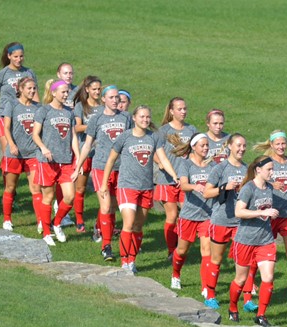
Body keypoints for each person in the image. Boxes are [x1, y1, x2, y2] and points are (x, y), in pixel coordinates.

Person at [99, 105, 178, 274]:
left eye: (147, 117)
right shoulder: (124, 137)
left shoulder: (154, 137)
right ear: (134, 118)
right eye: (142, 116)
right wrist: (104, 183)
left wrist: (175, 176)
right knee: (128, 223)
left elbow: (163, 159)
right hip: (127, 186)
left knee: (138, 226)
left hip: (146, 187)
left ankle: (132, 259)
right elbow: (111, 160)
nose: (145, 119)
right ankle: (125, 261)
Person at [73, 85, 132, 261]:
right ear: (104, 99)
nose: (115, 101)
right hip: (100, 167)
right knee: (106, 206)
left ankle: (102, 230)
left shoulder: (126, 118)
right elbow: (87, 144)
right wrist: (78, 167)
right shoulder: (97, 119)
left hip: (121, 168)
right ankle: (106, 246)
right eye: (112, 97)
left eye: (118, 98)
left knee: (113, 207)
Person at [252, 130, 287, 310]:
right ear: (272, 145)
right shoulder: (266, 163)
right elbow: (256, 182)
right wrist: (270, 184)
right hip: (269, 214)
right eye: (277, 144)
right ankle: (250, 285)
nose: (281, 147)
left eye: (283, 143)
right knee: (260, 252)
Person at [227, 155, 280, 327]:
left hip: (265, 240)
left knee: (268, 277)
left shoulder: (269, 188)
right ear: (258, 170)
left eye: (273, 169)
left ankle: (261, 315)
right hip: (245, 240)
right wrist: (262, 213)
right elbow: (239, 212)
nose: (272, 172)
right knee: (241, 280)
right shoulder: (248, 188)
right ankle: (233, 308)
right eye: (269, 169)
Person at [201, 134, 248, 309]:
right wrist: (224, 188)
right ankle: (210, 295)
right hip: (221, 220)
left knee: (244, 260)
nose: (242, 149)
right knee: (216, 259)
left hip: (240, 223)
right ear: (229, 146)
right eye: (238, 145)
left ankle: (247, 299)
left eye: (244, 146)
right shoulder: (219, 168)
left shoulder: (247, 169)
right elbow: (206, 193)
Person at [31, 80, 78, 246]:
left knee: (70, 196)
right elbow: (35, 134)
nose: (66, 95)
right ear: (54, 92)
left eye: (67, 92)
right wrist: (43, 148)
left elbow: (72, 137)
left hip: (66, 160)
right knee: (48, 197)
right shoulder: (43, 110)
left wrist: (77, 157)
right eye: (63, 92)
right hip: (48, 161)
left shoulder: (69, 113)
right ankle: (46, 232)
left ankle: (56, 223)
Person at [168, 133, 213, 290]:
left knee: (207, 251)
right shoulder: (185, 164)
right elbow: (184, 185)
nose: (206, 148)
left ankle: (206, 288)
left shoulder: (212, 166)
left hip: (208, 215)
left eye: (207, 145)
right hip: (189, 215)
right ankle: (175, 274)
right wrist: (195, 186)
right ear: (193, 147)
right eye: (202, 145)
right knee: (181, 250)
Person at [156, 98, 198, 260]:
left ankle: (182, 247)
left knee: (186, 214)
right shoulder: (164, 131)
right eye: (179, 109)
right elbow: (153, 150)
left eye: (185, 108)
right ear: (171, 111)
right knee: (172, 215)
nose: (183, 111)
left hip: (186, 179)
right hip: (167, 179)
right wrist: (160, 162)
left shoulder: (191, 129)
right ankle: (171, 250)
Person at [0, 77, 41, 231]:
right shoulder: (12, 105)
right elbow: (6, 127)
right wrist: (11, 144)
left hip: (33, 153)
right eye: (29, 88)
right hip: (14, 153)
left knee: (36, 188)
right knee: (10, 186)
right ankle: (7, 219)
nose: (32, 91)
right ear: (20, 89)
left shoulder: (38, 107)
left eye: (34, 88)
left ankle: (40, 221)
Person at [0, 42, 37, 159]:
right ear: (9, 56)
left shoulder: (29, 73)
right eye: (16, 56)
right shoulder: (1, 75)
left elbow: (36, 97)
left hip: (23, 116)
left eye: (21, 56)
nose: (19, 59)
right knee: (9, 153)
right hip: (3, 116)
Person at [71, 75, 104, 232]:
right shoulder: (80, 106)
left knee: (103, 190)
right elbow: (77, 128)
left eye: (99, 89)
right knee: (81, 188)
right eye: (94, 89)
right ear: (87, 90)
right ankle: (79, 220)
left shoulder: (105, 107)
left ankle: (101, 223)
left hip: (102, 154)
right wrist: (94, 125)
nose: (97, 92)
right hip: (86, 151)